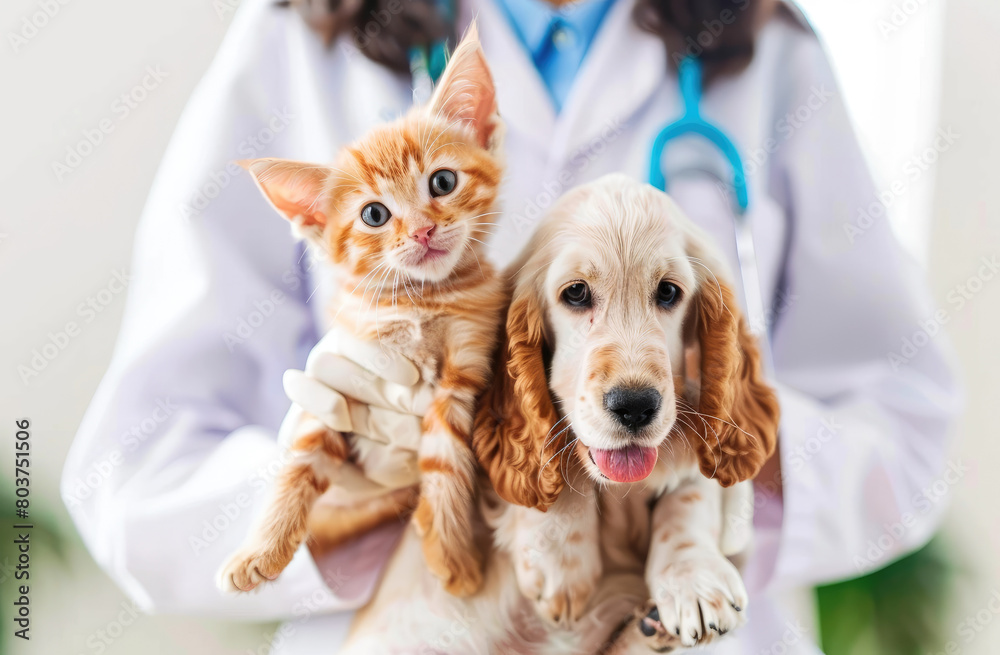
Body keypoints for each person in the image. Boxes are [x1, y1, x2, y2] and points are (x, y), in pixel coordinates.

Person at [61, 0, 961, 651]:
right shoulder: (297, 40)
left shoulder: (762, 47)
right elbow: (136, 470)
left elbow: (905, 426)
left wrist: (699, 465)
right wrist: (356, 494)